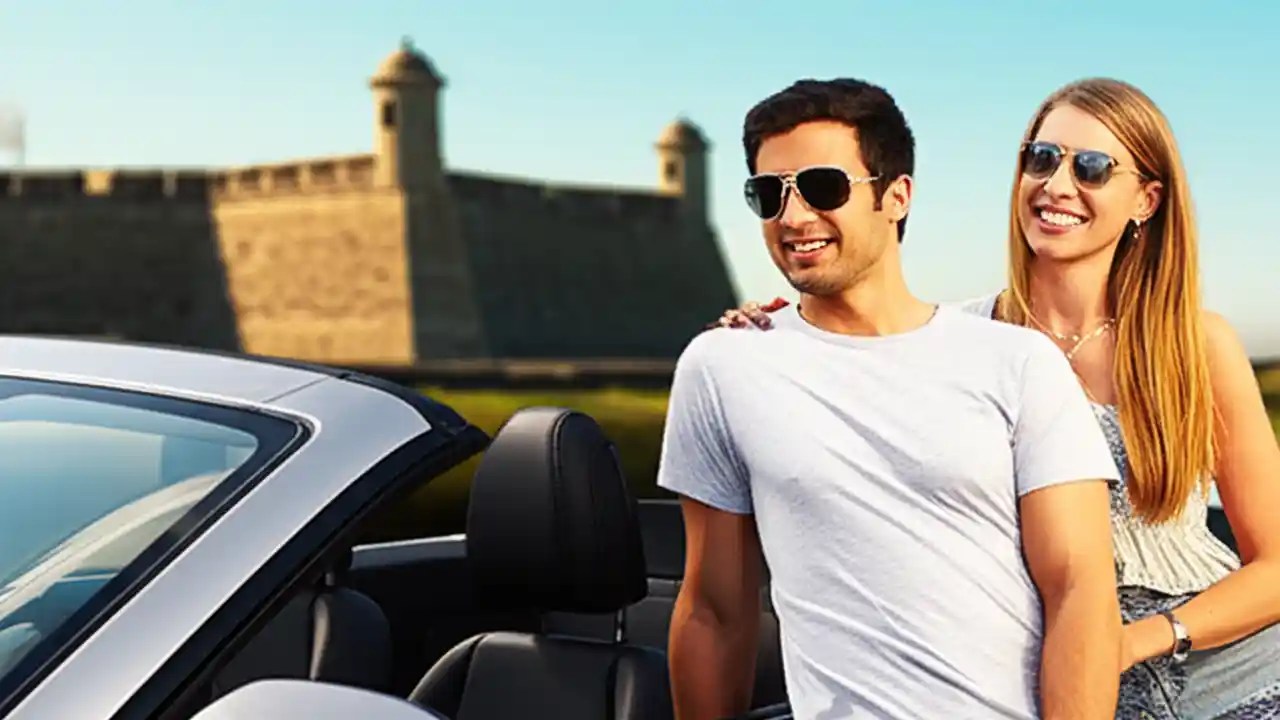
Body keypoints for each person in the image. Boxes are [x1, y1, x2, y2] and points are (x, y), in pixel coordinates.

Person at [715, 77, 1280, 719]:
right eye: (1041, 160)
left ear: (1146, 200)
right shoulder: (956, 341)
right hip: (1047, 689)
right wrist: (770, 334)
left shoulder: (1197, 344)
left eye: (1091, 168)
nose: (1057, 185)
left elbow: (1276, 566)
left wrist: (1134, 641)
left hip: (1232, 675)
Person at [656, 77, 1124, 720]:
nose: (792, 216)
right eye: (768, 195)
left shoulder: (1016, 362)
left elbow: (1079, 591)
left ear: (896, 196)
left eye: (823, 187)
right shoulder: (722, 366)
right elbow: (714, 610)